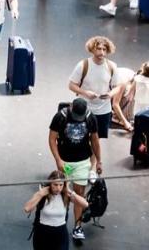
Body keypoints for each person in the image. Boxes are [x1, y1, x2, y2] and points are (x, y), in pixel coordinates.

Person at [47, 97, 101, 241]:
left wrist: (98, 162)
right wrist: (58, 160)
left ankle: (77, 227)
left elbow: (95, 140)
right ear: (71, 107)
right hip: (64, 161)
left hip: (82, 161)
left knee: (79, 194)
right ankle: (60, 221)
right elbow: (52, 138)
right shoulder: (60, 117)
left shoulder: (90, 118)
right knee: (62, 191)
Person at [67, 36, 119, 139]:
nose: (102, 52)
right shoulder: (83, 65)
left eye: (104, 49)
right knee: (81, 137)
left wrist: (110, 94)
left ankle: (95, 156)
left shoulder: (112, 66)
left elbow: (117, 87)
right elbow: (71, 85)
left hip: (104, 110)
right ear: (92, 49)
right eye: (99, 49)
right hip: (84, 109)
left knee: (97, 139)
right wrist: (86, 93)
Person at [23, 171, 87, 250]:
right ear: (50, 184)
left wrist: (71, 192)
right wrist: (40, 194)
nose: (58, 188)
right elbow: (27, 208)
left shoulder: (66, 195)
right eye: (55, 185)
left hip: (60, 233)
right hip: (42, 233)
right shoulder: (43, 194)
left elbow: (85, 204)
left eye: (61, 185)